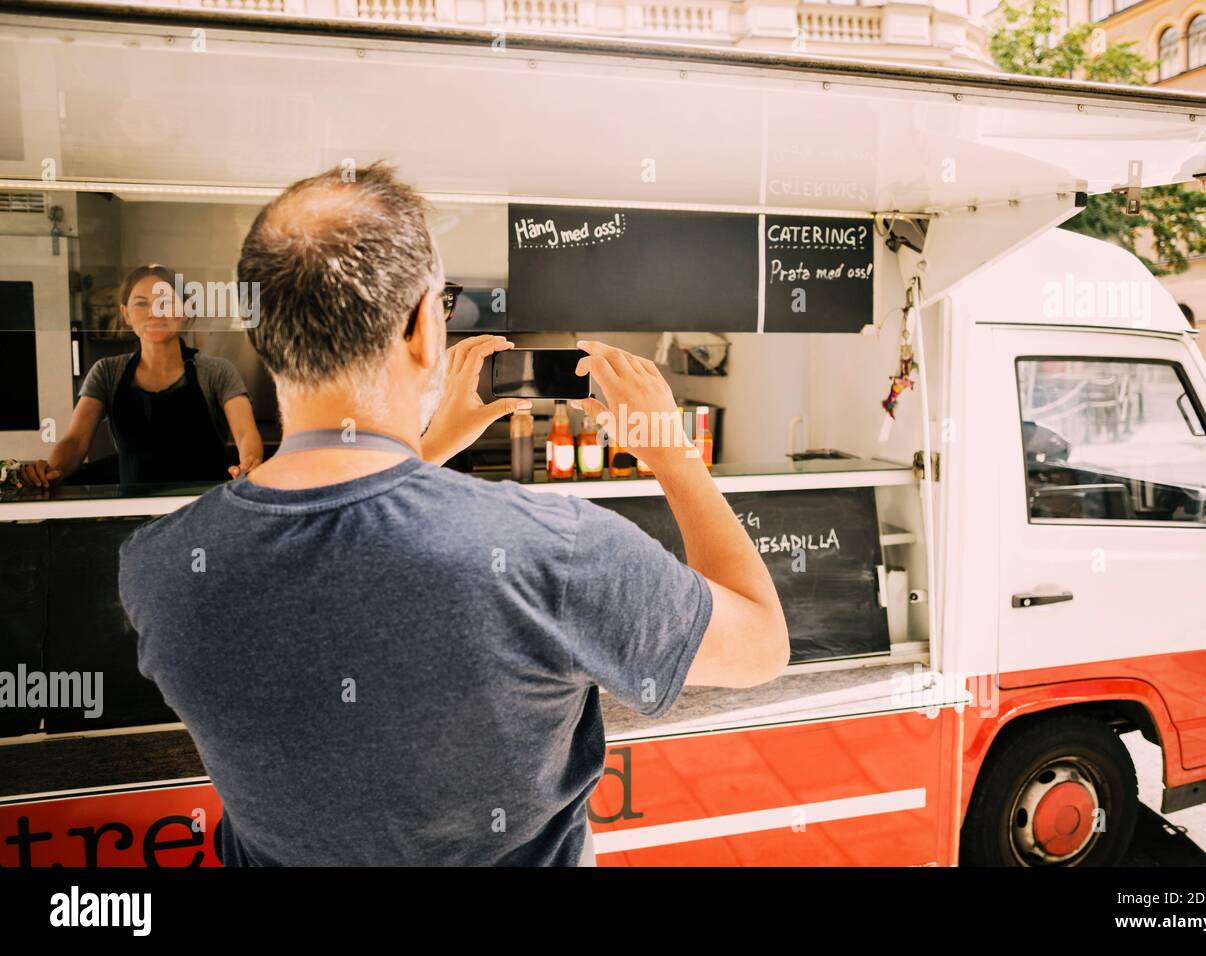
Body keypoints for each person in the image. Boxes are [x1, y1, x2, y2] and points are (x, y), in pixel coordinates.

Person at [117, 163, 789, 866]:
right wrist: (672, 453)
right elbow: (761, 644)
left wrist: (429, 446)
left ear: (259, 330)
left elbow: (349, 531)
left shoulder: (159, 566)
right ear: (425, 330)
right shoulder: (555, 549)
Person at [20, 264, 262, 488]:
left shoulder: (216, 372)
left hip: (205, 511)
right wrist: (52, 470)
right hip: (134, 515)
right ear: (125, 314)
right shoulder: (107, 373)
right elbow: (75, 441)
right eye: (141, 303)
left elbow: (245, 433)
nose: (154, 312)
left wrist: (249, 464)